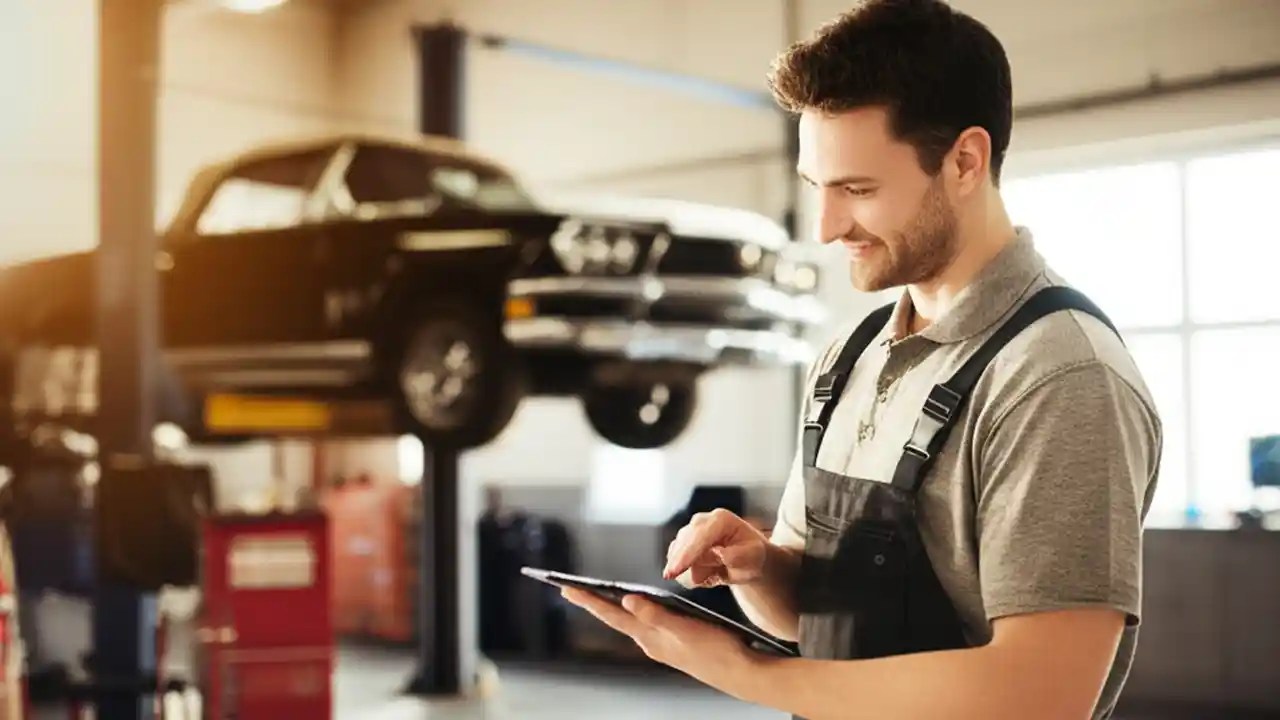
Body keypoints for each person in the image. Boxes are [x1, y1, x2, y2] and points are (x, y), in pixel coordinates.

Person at [559, 1, 1163, 718]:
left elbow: (1039, 697)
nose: (826, 226)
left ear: (965, 162)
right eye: (818, 187)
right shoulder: (851, 357)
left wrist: (747, 675)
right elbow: (809, 623)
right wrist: (760, 571)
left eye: (858, 189)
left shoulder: (1058, 376)